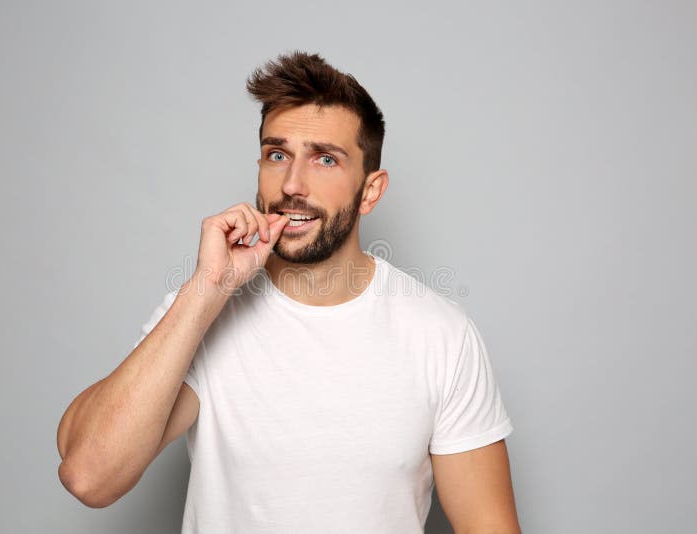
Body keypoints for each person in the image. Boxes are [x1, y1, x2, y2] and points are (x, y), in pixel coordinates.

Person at [56, 50, 521, 533]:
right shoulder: (204, 312)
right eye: (277, 155)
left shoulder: (441, 336)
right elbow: (89, 475)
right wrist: (206, 292)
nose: (293, 184)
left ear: (371, 190)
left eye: (325, 159)